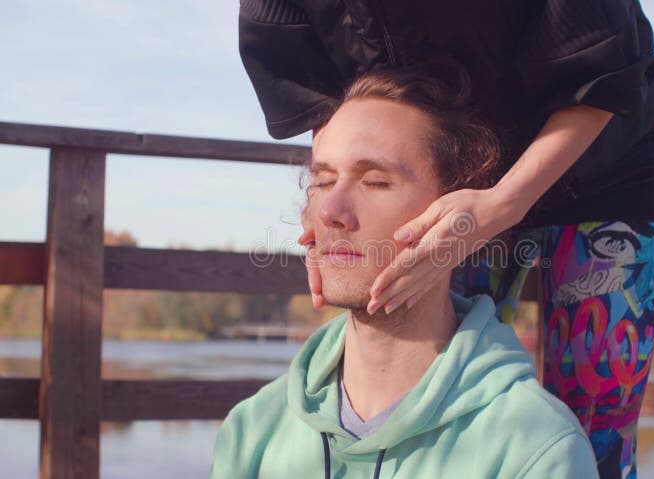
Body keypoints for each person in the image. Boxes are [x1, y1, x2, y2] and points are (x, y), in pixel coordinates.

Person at [238, 1, 654, 476]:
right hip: (441, 173)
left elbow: (604, 72)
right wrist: (331, 195)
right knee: (434, 401)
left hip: (603, 166)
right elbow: (319, 96)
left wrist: (504, 202)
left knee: (599, 435)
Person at [210, 68, 599, 478]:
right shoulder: (250, 433)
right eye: (323, 182)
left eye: (375, 182)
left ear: (453, 215)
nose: (330, 211)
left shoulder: (536, 452)